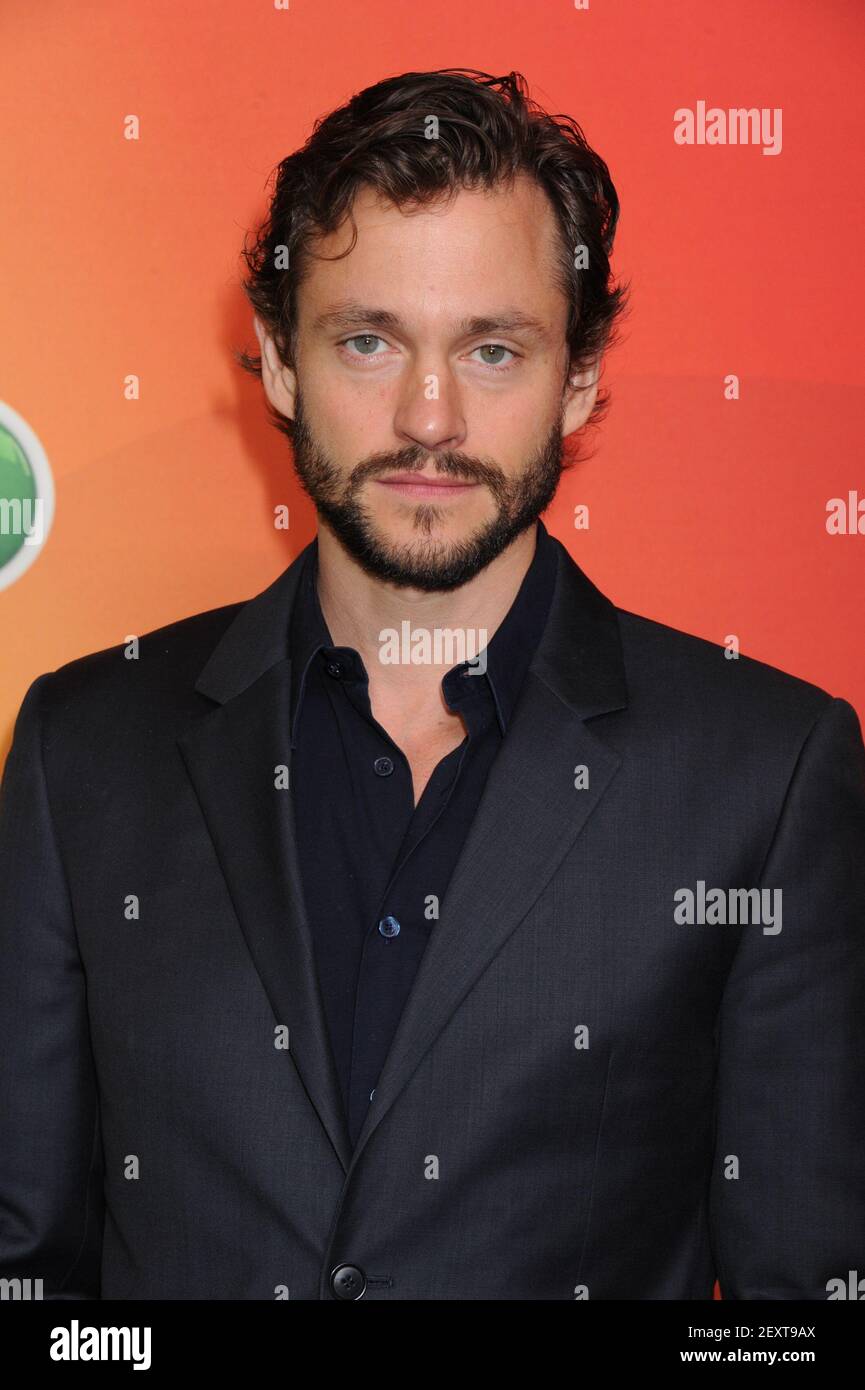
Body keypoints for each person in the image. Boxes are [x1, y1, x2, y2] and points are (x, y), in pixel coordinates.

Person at [1, 67, 863, 1302]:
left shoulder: (763, 773)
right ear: (280, 364)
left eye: (493, 349)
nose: (429, 416)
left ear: (575, 378)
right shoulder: (82, 748)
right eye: (368, 340)